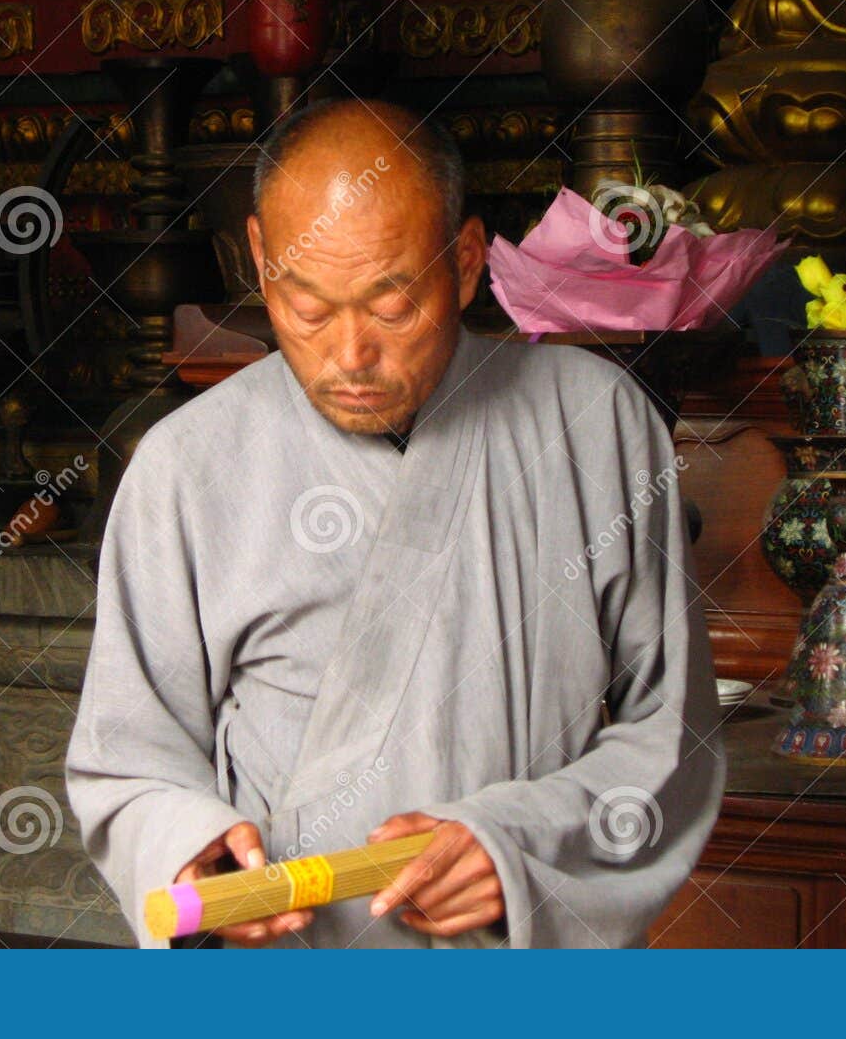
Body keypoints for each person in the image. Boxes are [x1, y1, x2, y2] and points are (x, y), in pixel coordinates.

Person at [64, 98, 725, 948]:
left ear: (465, 260)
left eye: (390, 307)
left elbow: (671, 735)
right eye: (307, 307)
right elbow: (130, 752)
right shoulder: (186, 466)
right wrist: (190, 850)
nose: (349, 356)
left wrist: (514, 850)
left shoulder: (597, 427)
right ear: (262, 258)